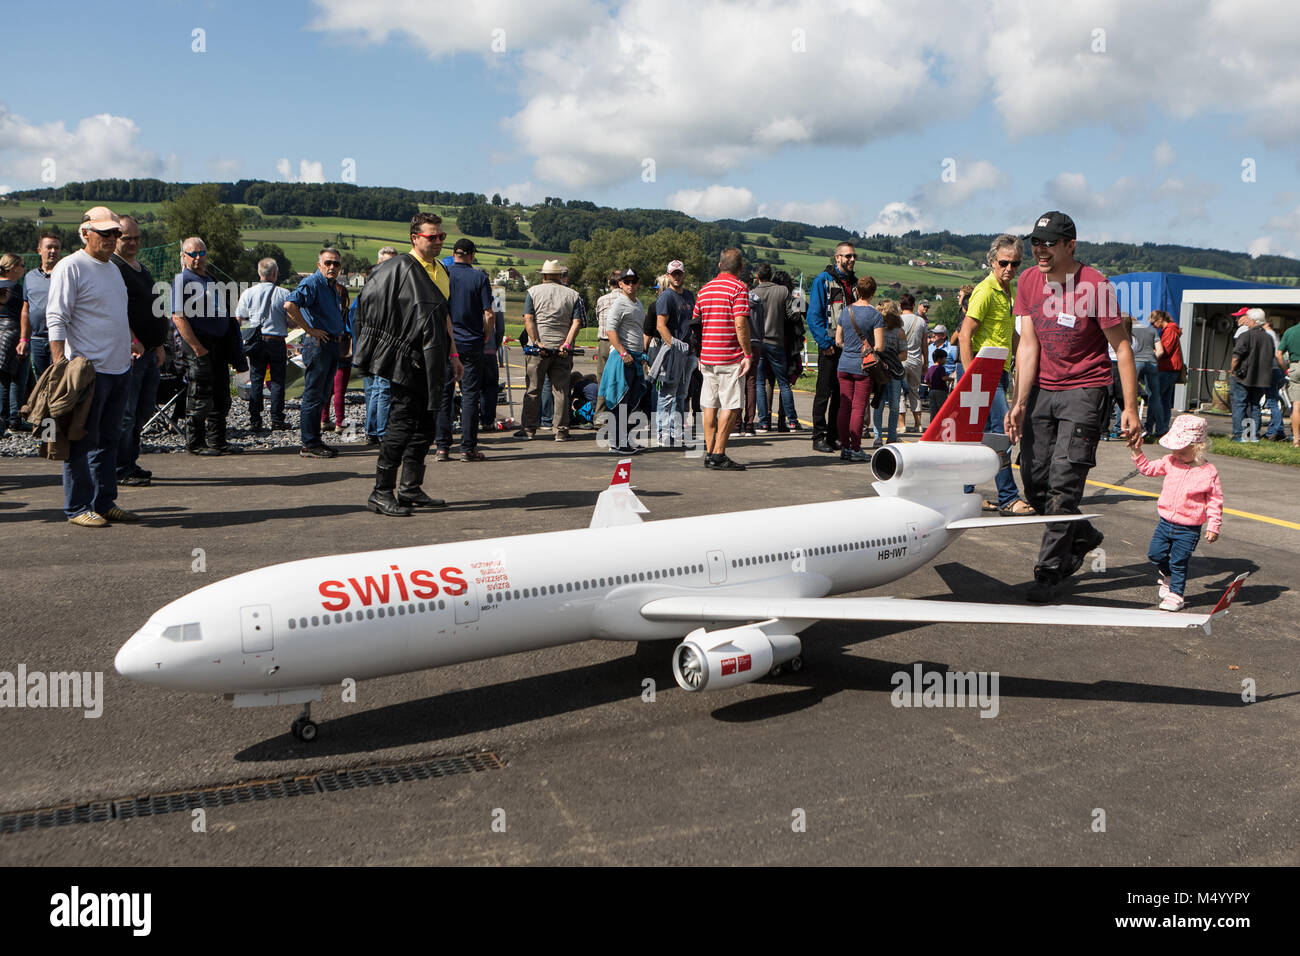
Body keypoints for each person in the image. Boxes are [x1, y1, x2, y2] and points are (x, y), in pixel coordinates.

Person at [1005, 211, 1141, 603]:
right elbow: (1028, 345)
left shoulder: (1095, 285)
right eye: (1036, 242)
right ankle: (1082, 535)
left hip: (1085, 390)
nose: (1040, 250)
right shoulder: (1029, 281)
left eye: (1049, 243)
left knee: (1063, 485)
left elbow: (1121, 348)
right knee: (1034, 483)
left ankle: (1049, 572)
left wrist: (1129, 407)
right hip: (1043, 390)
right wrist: (1019, 402)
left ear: (1070, 245)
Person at [352, 212, 460, 516]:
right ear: (415, 238)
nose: (438, 241)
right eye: (432, 236)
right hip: (406, 360)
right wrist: (387, 343)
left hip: (435, 359)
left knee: (426, 424)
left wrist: (454, 354)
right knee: (401, 424)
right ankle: (381, 491)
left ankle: (410, 488)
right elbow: (369, 303)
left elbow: (444, 317)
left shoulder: (440, 270)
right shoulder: (397, 268)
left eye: (441, 236)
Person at [45, 207, 138, 527]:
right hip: (88, 371)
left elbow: (116, 313)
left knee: (109, 439)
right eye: (106, 233)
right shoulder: (70, 266)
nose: (114, 239)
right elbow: (57, 316)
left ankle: (104, 501)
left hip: (118, 368)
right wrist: (60, 366)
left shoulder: (113, 269)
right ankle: (77, 506)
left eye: (116, 234)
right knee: (81, 440)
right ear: (86, 233)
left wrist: (131, 342)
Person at [959, 235, 1033, 516]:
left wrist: (1025, 356)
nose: (1009, 269)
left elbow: (1009, 333)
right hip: (982, 373)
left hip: (997, 370)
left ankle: (962, 495)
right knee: (1002, 434)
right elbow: (965, 335)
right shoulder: (986, 291)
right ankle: (1009, 498)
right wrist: (970, 377)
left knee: (975, 439)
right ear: (992, 262)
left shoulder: (1007, 290)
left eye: (1015, 264)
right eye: (1004, 263)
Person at [1130, 415, 1222, 611]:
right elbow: (1148, 469)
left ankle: (1176, 595)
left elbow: (1215, 500)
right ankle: (1168, 576)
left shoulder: (1208, 472)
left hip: (1189, 528)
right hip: (1165, 523)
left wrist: (1214, 525)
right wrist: (1138, 452)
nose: (1176, 455)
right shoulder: (1169, 461)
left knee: (1179, 561)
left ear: (1198, 448)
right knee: (1155, 554)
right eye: (1174, 450)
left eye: (1181, 452)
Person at [171, 237, 246, 455]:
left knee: (221, 395)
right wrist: (197, 348)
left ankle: (218, 441)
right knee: (200, 394)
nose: (197, 258)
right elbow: (178, 317)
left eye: (201, 253)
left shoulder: (210, 279)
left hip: (219, 346)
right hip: (200, 345)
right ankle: (195, 443)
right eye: (192, 254)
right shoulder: (182, 280)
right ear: (184, 256)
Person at [112, 217, 166, 485]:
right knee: (126, 412)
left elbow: (154, 306)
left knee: (142, 410)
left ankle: (130, 462)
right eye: (126, 238)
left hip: (150, 352)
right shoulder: (114, 268)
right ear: (116, 238)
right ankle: (120, 468)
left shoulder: (141, 268)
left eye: (136, 238)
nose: (132, 243)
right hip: (130, 353)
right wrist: (134, 341)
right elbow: (117, 311)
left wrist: (159, 345)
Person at [692, 248, 752, 470]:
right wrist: (747, 353)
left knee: (710, 403)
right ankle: (719, 453)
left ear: (719, 265)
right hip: (729, 356)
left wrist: (699, 352)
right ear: (740, 268)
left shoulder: (704, 289)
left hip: (707, 355)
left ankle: (709, 452)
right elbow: (740, 323)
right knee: (732, 404)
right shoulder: (738, 288)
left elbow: (695, 323)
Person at [285, 249, 349, 457]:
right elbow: (290, 305)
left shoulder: (330, 287)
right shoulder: (313, 283)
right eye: (328, 263)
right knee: (314, 395)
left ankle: (315, 441)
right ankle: (309, 443)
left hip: (329, 344)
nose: (332, 267)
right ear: (319, 264)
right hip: (318, 344)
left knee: (322, 394)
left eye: (336, 264)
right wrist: (309, 329)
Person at [435, 238, 494, 461]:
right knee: (470, 395)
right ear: (471, 255)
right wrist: (485, 334)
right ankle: (468, 448)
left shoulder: (444, 275)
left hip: (446, 343)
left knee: (444, 395)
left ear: (454, 253)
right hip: (471, 343)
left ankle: (442, 447)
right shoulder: (479, 277)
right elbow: (489, 313)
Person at [518, 259, 581, 441]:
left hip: (539, 349)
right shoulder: (573, 294)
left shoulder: (533, 292)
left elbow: (528, 318)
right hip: (562, 348)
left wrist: (536, 341)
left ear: (544, 275)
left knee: (533, 388)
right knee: (560, 390)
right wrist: (567, 343)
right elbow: (576, 322)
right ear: (560, 275)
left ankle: (529, 429)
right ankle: (561, 430)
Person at [807, 242, 856, 452]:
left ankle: (833, 435)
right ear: (837, 258)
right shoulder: (822, 281)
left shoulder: (854, 283)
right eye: (847, 256)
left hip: (848, 347)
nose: (852, 259)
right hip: (829, 346)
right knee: (823, 392)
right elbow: (813, 315)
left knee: (841, 393)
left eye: (854, 256)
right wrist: (824, 342)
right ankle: (818, 436)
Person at [235, 257, 291, 433]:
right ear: (275, 274)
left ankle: (255, 419)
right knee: (277, 381)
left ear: (259, 273)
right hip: (277, 341)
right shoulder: (284, 294)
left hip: (256, 342)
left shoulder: (248, 293)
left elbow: (239, 319)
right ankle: (276, 418)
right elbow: (291, 320)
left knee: (256, 378)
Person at [835, 276, 884, 462]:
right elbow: (879, 346)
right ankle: (856, 447)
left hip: (844, 364)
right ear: (873, 293)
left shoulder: (846, 311)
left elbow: (838, 340)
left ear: (856, 291)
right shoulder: (875, 315)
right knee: (858, 408)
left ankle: (845, 447)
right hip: (863, 366)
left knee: (844, 406)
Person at [599, 268, 648, 454]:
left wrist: (640, 353)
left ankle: (624, 439)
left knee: (631, 402)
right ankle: (617, 443)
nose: (630, 284)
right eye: (626, 281)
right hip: (622, 359)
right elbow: (610, 330)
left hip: (634, 358)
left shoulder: (638, 303)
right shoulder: (620, 303)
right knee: (620, 400)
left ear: (638, 283)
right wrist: (622, 352)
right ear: (620, 284)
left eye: (633, 281)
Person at [652, 260, 696, 447]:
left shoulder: (689, 296)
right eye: (673, 274)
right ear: (668, 276)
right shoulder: (666, 297)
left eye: (679, 273)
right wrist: (673, 345)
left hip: (689, 351)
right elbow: (660, 325)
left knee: (682, 395)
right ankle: (663, 434)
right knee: (667, 394)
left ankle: (677, 433)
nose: (677, 277)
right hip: (672, 352)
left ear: (683, 274)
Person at [751, 263, 797, 434]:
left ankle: (763, 422)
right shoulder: (783, 291)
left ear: (757, 277)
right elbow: (792, 315)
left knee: (760, 383)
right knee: (784, 383)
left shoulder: (752, 293)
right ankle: (792, 420)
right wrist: (798, 303)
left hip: (758, 341)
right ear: (770, 275)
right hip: (776, 341)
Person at [363, 246, 399, 443]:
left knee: (377, 388)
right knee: (383, 388)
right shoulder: (380, 287)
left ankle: (373, 430)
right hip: (381, 343)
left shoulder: (374, 284)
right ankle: (381, 431)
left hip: (375, 343)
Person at [19, 234, 62, 385]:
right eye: (49, 247)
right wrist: (24, 339)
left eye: (56, 248)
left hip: (60, 339)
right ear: (39, 250)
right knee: (40, 383)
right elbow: (26, 309)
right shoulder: (30, 277)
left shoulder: (66, 275)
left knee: (58, 382)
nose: (53, 251)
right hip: (37, 340)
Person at [1229, 307, 1274, 442]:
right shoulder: (1268, 337)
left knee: (1239, 404)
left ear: (1253, 320)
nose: (1245, 320)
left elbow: (1236, 357)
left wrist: (1232, 371)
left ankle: (1239, 435)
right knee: (1255, 405)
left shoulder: (1246, 335)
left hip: (1243, 377)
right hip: (1261, 378)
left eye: (1248, 317)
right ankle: (1253, 435)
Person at [871, 300, 905, 446]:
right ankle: (880, 437)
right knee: (881, 404)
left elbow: (904, 354)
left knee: (892, 405)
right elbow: (903, 355)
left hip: (889, 372)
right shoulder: (878, 329)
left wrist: (889, 360)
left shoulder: (899, 332)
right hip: (884, 372)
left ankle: (890, 436)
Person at [0, 254, 27, 434]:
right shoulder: (15, 288)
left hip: (0, 333)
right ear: (14, 267)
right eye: (22, 265)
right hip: (13, 333)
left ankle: (2, 419)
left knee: (2, 378)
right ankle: (13, 418)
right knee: (16, 377)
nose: (24, 269)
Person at [593, 270, 622, 425]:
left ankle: (599, 417)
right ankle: (618, 417)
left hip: (604, 342)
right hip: (619, 342)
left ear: (610, 283)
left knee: (602, 379)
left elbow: (598, 317)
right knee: (620, 381)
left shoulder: (602, 299)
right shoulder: (626, 299)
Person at [1150, 309, 1182, 436]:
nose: (1153, 326)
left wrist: (1151, 351)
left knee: (1156, 398)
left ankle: (1155, 428)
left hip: (1168, 368)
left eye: (1153, 323)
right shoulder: (1170, 329)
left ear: (1160, 320)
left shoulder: (1169, 330)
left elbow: (1164, 351)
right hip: (1171, 369)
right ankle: (1162, 429)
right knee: (1165, 400)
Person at [899, 293, 927, 434]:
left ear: (900, 305)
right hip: (916, 361)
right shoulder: (921, 322)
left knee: (900, 393)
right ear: (913, 305)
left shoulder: (897, 320)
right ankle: (918, 424)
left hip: (901, 361)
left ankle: (902, 424)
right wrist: (926, 362)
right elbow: (924, 345)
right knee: (915, 392)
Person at [1277, 318, 1300, 446]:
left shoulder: (1290, 332)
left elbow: (1279, 354)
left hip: (1295, 367)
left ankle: (1296, 440)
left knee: (1296, 405)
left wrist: (1286, 369)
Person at [923, 347, 950, 419]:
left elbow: (925, 380)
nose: (946, 360)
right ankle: (941, 424)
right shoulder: (941, 368)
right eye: (945, 358)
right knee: (942, 409)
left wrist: (930, 385)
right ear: (940, 359)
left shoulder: (930, 368)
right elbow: (943, 378)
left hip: (932, 391)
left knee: (933, 410)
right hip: (941, 391)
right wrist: (951, 379)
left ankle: (933, 425)